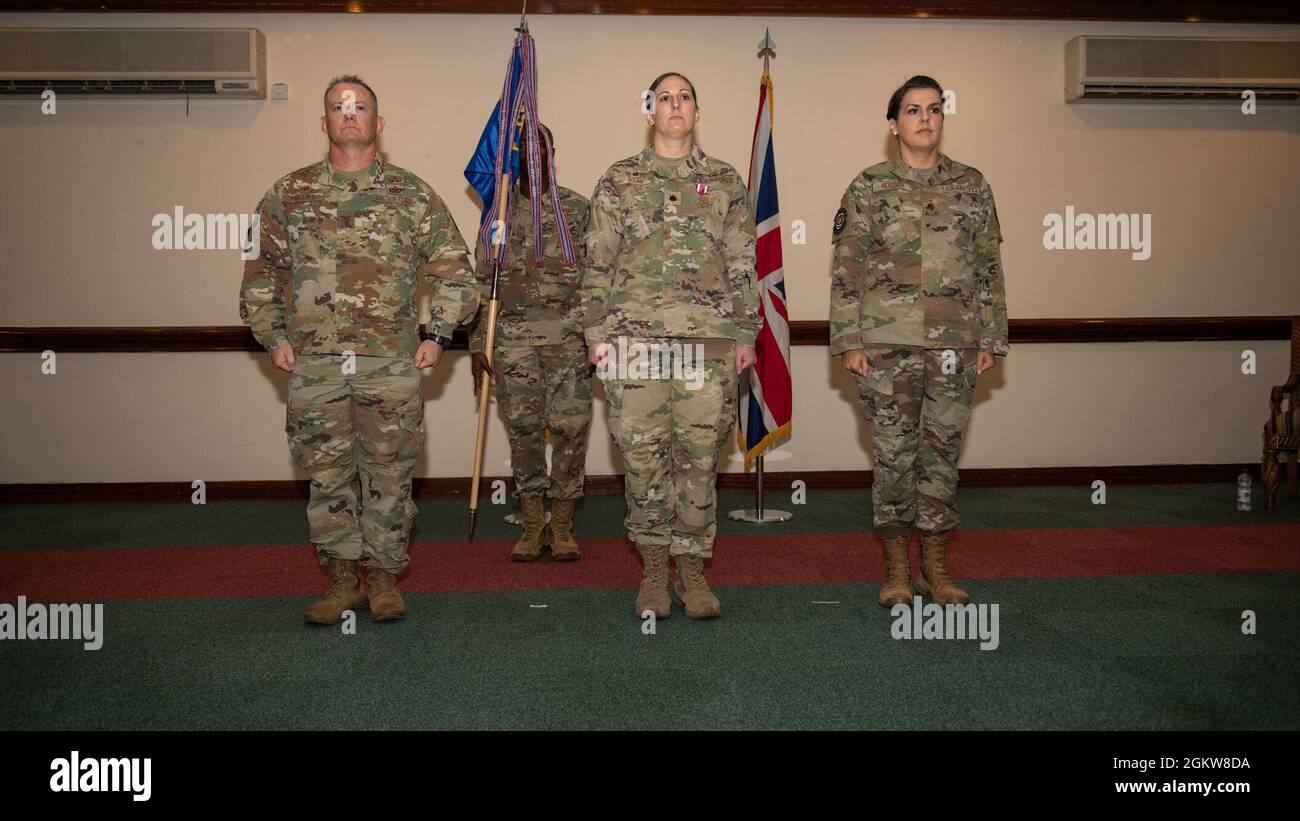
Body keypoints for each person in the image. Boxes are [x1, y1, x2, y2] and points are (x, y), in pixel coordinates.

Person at [240, 74, 478, 623]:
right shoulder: (288, 194)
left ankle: (384, 578)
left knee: (390, 475)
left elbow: (455, 270)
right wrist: (273, 335)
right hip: (315, 365)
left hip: (388, 363)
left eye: (361, 106)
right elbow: (259, 274)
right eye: (338, 107)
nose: (350, 114)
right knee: (327, 477)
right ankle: (342, 578)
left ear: (379, 123)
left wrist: (439, 333)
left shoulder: (410, 193)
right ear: (323, 122)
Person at [581, 72, 760, 620]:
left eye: (684, 97)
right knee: (642, 462)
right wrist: (595, 336)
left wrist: (746, 334)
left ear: (697, 112)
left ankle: (692, 571)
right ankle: (654, 572)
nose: (675, 105)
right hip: (633, 348)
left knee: (700, 463)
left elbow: (743, 265)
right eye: (665, 98)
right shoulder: (619, 180)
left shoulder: (725, 180)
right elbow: (595, 264)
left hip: (707, 347)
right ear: (650, 112)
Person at [829, 74, 1009, 608]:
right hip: (885, 345)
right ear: (894, 124)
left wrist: (991, 337)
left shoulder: (973, 186)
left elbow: (988, 269)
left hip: (956, 343)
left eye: (933, 110)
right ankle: (896, 570)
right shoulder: (868, 187)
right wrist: (848, 340)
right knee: (892, 455)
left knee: (942, 454)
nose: (924, 118)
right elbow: (846, 270)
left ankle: (935, 567)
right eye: (912, 110)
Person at [468, 124, 594, 562]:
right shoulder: (496, 216)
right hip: (513, 341)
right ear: (514, 157)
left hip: (568, 340)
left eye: (542, 149)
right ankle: (532, 522)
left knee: (570, 430)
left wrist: (596, 338)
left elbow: (597, 280)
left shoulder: (577, 210)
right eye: (525, 150)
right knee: (523, 433)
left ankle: (562, 524)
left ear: (552, 154)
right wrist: (476, 346)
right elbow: (483, 284)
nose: (534, 158)